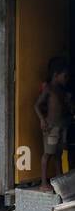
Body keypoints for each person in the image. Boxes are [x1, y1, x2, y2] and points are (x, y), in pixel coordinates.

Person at [35, 58, 70, 191]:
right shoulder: (49, 89)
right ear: (56, 75)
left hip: (60, 126)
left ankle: (59, 180)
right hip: (51, 127)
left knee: (58, 154)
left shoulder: (61, 91)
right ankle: (44, 183)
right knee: (48, 154)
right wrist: (42, 120)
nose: (66, 79)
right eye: (65, 76)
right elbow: (36, 105)